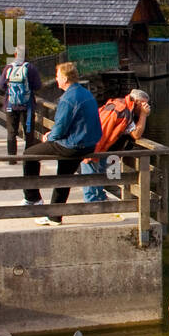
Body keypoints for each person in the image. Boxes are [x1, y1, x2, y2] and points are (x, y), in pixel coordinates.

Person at [22, 62, 102, 225]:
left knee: (29, 155)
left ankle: (33, 198)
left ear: (65, 78)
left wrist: (50, 137)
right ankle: (54, 216)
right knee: (64, 176)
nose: (56, 79)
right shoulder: (86, 93)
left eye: (57, 76)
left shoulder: (67, 99)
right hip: (89, 144)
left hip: (72, 145)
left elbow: (60, 126)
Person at [81, 89, 151, 204]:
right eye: (144, 103)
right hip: (95, 144)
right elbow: (136, 134)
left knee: (99, 171)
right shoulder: (125, 112)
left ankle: (100, 197)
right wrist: (143, 115)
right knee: (91, 173)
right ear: (137, 102)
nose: (146, 106)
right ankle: (92, 205)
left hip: (99, 143)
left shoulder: (119, 103)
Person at [1, 47, 43, 157]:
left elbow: (1, 84)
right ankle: (28, 155)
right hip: (27, 105)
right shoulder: (31, 68)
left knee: (11, 131)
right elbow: (38, 85)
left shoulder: (8, 67)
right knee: (28, 131)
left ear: (15, 54)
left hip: (11, 104)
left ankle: (12, 157)